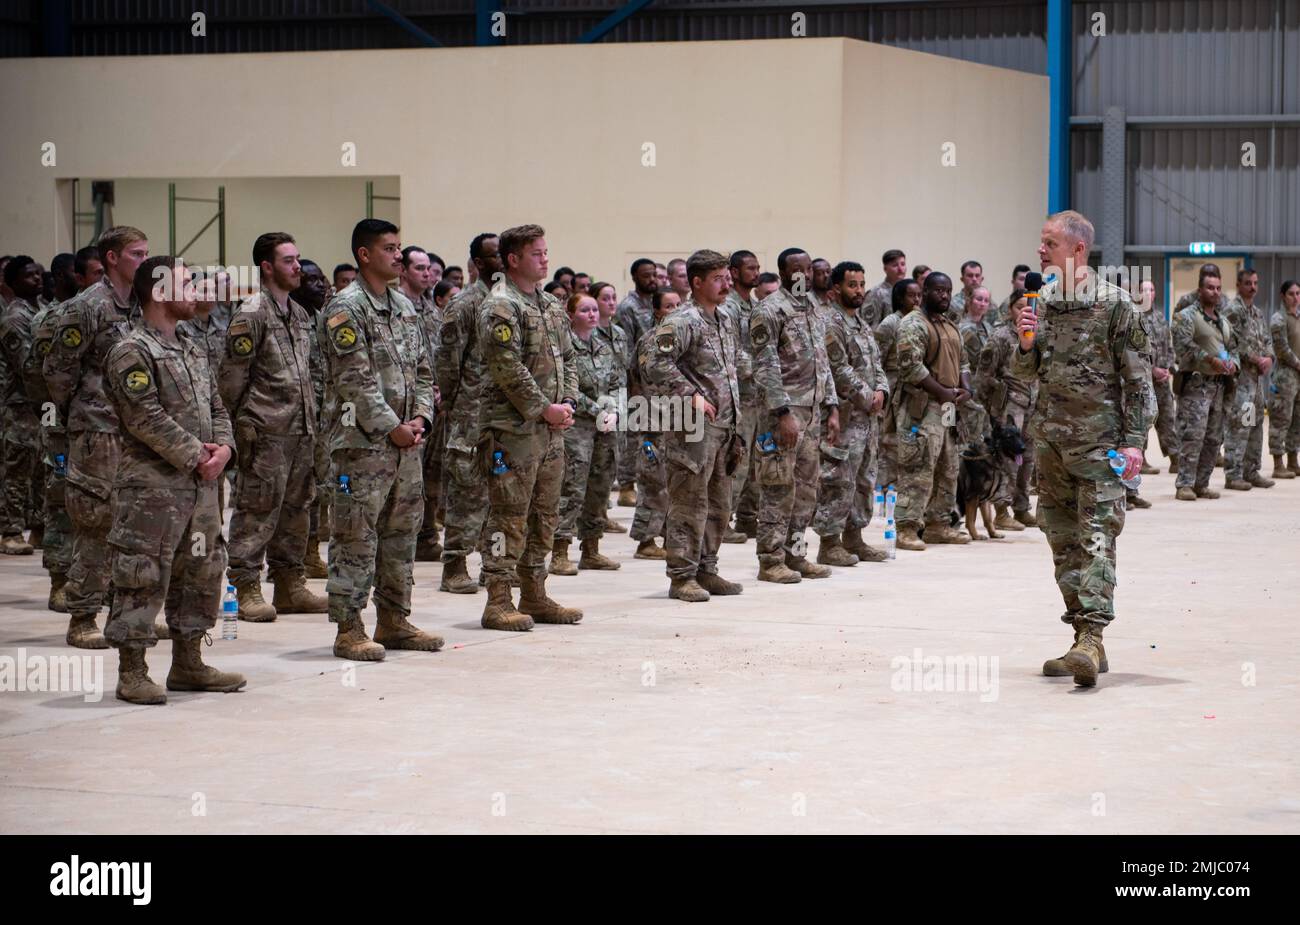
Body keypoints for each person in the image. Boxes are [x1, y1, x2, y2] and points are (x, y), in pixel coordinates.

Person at [1011, 210, 1152, 688]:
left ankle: (1092, 638)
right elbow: (1027, 374)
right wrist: (1025, 344)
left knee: (1096, 541)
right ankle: (1080, 638)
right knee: (1060, 538)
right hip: (1051, 446)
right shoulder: (1042, 301)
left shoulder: (1117, 306)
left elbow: (1139, 384)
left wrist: (1135, 443)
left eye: (1049, 242)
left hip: (1099, 448)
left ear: (1077, 250)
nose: (1040, 250)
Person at [102, 255, 244, 704]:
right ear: (160, 291)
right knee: (143, 573)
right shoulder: (132, 350)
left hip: (202, 487)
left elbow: (217, 405)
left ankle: (188, 663)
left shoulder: (191, 344)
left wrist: (224, 449)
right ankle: (133, 671)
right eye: (188, 283)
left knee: (201, 572)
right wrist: (195, 456)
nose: (198, 292)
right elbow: (144, 416)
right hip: (153, 490)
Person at [318, 219, 441, 660]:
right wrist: (393, 426)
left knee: (401, 533)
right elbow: (355, 380)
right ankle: (349, 627)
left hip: (407, 443)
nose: (398, 256)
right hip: (362, 444)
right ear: (365, 255)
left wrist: (422, 415)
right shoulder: (345, 309)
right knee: (356, 535)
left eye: (400, 248)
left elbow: (423, 370)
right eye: (390, 249)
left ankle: (394, 618)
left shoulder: (405, 307)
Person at [44, 226, 149, 649]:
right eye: (137, 254)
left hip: (136, 430)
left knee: (134, 525)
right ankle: (83, 615)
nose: (144, 261)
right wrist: (82, 411)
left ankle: (124, 614)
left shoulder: (142, 304)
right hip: (96, 430)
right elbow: (56, 370)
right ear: (111, 258)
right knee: (94, 522)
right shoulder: (87, 307)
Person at [477, 224, 582, 632]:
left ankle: (534, 593)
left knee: (544, 514)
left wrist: (568, 402)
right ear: (513, 260)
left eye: (545, 251)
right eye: (536, 253)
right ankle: (499, 599)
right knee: (508, 516)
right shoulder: (501, 305)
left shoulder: (551, 305)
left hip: (551, 430)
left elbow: (568, 359)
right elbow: (507, 368)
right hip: (513, 429)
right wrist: (543, 409)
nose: (544, 258)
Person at [218, 232, 326, 622]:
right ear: (266, 267)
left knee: (297, 510)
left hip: (300, 429)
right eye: (288, 261)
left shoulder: (297, 314)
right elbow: (231, 378)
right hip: (264, 431)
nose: (298, 266)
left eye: (297, 259)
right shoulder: (251, 313)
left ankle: (289, 584)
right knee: (256, 509)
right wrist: (239, 426)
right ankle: (245, 585)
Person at [644, 250, 743, 601]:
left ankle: (707, 569)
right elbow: (652, 361)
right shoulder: (682, 320)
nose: (726, 284)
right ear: (696, 282)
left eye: (727, 277)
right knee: (689, 502)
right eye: (718, 279)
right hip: (692, 426)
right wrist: (689, 394)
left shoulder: (726, 318)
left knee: (719, 502)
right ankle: (682, 575)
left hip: (723, 426)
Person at [749, 247, 843, 583]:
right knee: (779, 487)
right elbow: (765, 366)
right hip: (784, 413)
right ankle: (771, 560)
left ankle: (796, 554)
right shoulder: (770, 310)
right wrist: (782, 412)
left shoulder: (814, 309)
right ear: (784, 273)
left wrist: (831, 406)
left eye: (808, 268)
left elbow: (823, 361)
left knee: (807, 490)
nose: (804, 274)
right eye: (796, 269)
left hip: (813, 411)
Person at [433, 232, 500, 594]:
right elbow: (447, 363)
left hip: (504, 417)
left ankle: (495, 565)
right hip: (469, 413)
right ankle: (455, 564)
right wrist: (453, 405)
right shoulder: (464, 306)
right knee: (467, 493)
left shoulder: (510, 302)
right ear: (476, 261)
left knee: (502, 496)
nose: (501, 261)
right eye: (493, 256)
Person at [814, 261, 890, 565]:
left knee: (864, 479)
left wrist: (882, 390)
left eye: (861, 284)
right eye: (852, 285)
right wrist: (866, 395)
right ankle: (829, 542)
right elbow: (839, 368)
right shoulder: (831, 324)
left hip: (868, 419)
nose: (858, 291)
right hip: (845, 417)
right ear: (836, 288)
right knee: (838, 479)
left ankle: (854, 537)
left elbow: (877, 364)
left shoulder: (861, 324)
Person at [892, 272, 972, 549]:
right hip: (923, 406)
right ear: (924, 292)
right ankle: (907, 528)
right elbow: (911, 366)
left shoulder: (950, 325)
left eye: (948, 291)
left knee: (949, 467)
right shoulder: (913, 323)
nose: (945, 296)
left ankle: (939, 524)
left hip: (949, 407)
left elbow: (963, 363)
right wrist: (942, 392)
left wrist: (965, 389)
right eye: (938, 290)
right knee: (918, 467)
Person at [551, 292, 622, 575]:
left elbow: (617, 380)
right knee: (572, 487)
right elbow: (567, 387)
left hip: (605, 427)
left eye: (595, 310)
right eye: (584, 310)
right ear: (571, 314)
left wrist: (613, 409)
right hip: (577, 427)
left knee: (600, 487)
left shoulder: (604, 346)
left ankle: (591, 549)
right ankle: (560, 550)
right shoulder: (564, 346)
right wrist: (597, 410)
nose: (593, 314)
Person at [1172, 267, 1238, 501]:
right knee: (1193, 436)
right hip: (1196, 386)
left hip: (1219, 386)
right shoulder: (1187, 315)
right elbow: (1183, 346)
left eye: (1219, 288)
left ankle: (1202, 483)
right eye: (1210, 288)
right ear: (1200, 289)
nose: (1215, 292)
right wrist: (1210, 360)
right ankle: (1185, 484)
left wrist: (1233, 364)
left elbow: (1233, 348)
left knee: (1213, 438)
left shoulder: (1222, 321)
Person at [975, 289, 1036, 531]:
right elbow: (983, 376)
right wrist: (994, 403)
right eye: (1019, 306)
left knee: (1028, 460)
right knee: (1006, 461)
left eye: (1028, 306)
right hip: (1008, 409)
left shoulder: (1035, 335)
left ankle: (1022, 508)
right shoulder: (1000, 337)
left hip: (1032, 406)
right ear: (1010, 310)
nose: (1024, 310)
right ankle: (1001, 510)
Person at [628, 288, 680, 559]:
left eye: (678, 305)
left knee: (676, 482)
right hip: (653, 421)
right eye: (668, 306)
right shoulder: (651, 340)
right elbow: (639, 381)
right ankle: (646, 541)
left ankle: (670, 536)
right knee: (653, 482)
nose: (674, 310)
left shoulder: (682, 337)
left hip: (679, 421)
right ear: (657, 312)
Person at [289, 258, 332, 579]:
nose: (319, 285)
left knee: (317, 491)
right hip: (290, 422)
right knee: (290, 496)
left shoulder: (324, 321)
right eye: (311, 280)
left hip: (323, 419)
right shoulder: (287, 320)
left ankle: (309, 553)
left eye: (322, 280)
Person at [0, 256, 43, 556]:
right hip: (20, 404)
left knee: (41, 467)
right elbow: (27, 364)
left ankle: (39, 528)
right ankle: (10, 530)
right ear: (13, 283)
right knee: (17, 469)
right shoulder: (14, 318)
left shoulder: (39, 311)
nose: (37, 280)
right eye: (30, 276)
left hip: (39, 403)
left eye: (38, 274)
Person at [1223, 268, 1275, 490]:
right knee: (1241, 425)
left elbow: (1267, 339)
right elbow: (1233, 344)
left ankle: (1251, 471)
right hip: (1242, 380)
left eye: (1255, 283)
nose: (1252, 287)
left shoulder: (1257, 312)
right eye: (1248, 283)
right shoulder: (1233, 311)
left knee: (1256, 425)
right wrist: (1257, 359)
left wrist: (1270, 358)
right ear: (1238, 285)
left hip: (1257, 382)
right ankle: (1233, 474)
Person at [722, 250, 762, 542]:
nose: (756, 273)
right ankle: (723, 521)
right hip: (739, 396)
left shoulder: (755, 304)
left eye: (758, 267)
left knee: (758, 462)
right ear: (734, 272)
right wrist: (762, 370)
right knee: (737, 461)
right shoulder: (729, 307)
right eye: (750, 268)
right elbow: (731, 351)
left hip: (759, 396)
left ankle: (748, 518)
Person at [613, 258, 659, 507]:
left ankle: (645, 481)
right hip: (635, 381)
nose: (652, 279)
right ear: (634, 277)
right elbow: (626, 348)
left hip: (657, 381)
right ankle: (626, 485)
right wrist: (634, 382)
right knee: (632, 434)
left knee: (651, 434)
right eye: (646, 275)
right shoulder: (627, 308)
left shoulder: (657, 303)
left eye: (654, 274)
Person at [874, 278, 921, 494]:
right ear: (900, 298)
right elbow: (877, 359)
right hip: (892, 386)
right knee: (889, 441)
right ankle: (885, 486)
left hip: (914, 391)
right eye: (912, 295)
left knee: (910, 438)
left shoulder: (921, 321)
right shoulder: (890, 323)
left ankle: (903, 486)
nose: (917, 299)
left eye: (919, 295)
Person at [1135, 278, 1179, 476]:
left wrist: (1168, 367)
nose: (1148, 294)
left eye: (1151, 290)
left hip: (1161, 380)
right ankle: (1141, 459)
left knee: (1167, 417)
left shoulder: (1161, 319)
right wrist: (1152, 370)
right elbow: (1133, 352)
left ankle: (1175, 457)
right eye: (1143, 290)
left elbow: (1169, 347)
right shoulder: (1133, 318)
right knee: (1142, 419)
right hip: (1141, 381)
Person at [1268, 278, 1300, 479]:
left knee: (1297, 420)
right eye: (1291, 294)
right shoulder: (1278, 319)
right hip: (1285, 377)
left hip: (1299, 376)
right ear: (1283, 296)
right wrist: (1298, 364)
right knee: (1281, 420)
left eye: (1298, 294)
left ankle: (1293, 461)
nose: (1296, 298)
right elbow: (1282, 349)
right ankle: (1278, 463)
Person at [863, 249, 907, 328]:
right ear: (885, 269)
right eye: (895, 265)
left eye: (903, 264)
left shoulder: (908, 291)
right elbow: (869, 327)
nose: (900, 269)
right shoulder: (876, 293)